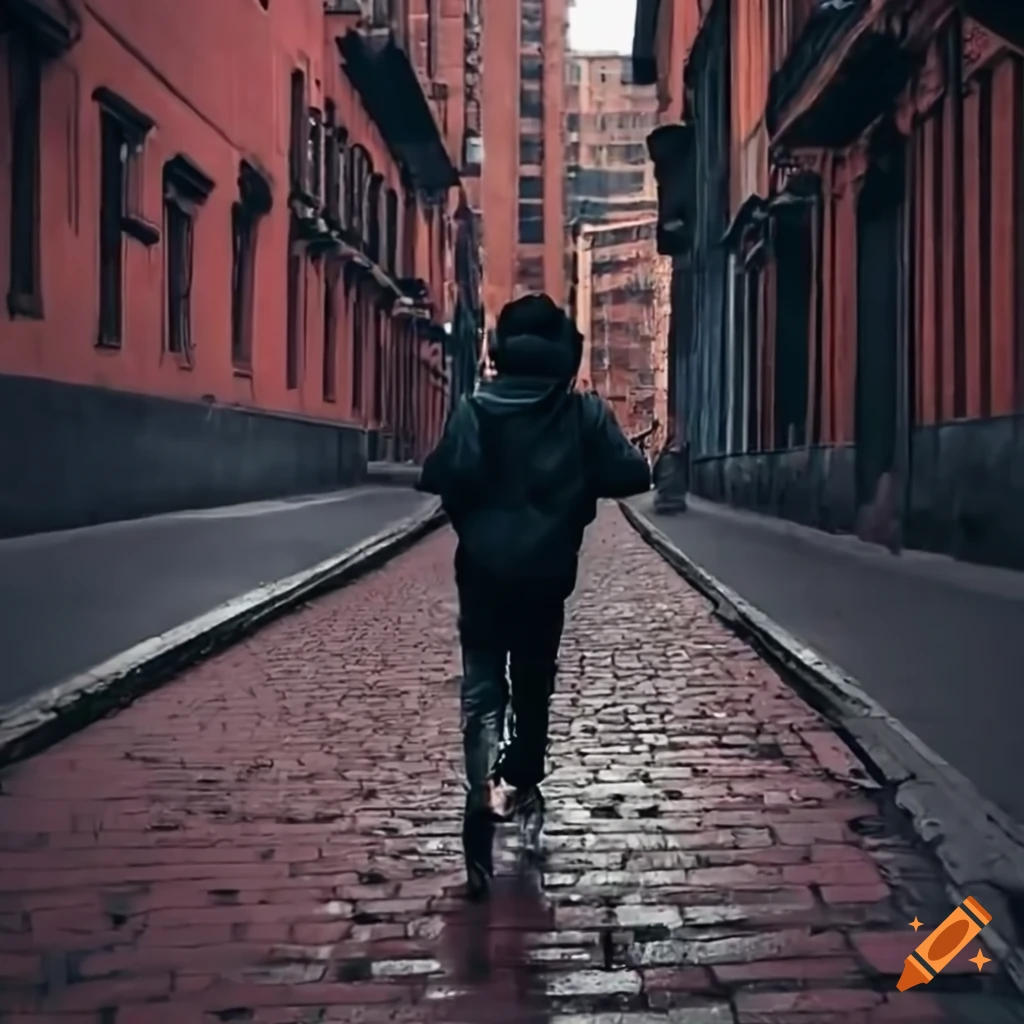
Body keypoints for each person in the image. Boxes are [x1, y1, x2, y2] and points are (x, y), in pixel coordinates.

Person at [417, 292, 651, 899]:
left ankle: (478, 798)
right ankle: (521, 775)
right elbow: (633, 474)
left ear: (498, 352)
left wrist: (476, 505)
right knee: (534, 677)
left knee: (482, 683)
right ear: (563, 353)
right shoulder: (583, 414)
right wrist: (578, 483)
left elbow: (439, 474)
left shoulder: (473, 410)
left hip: (485, 573)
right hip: (547, 571)